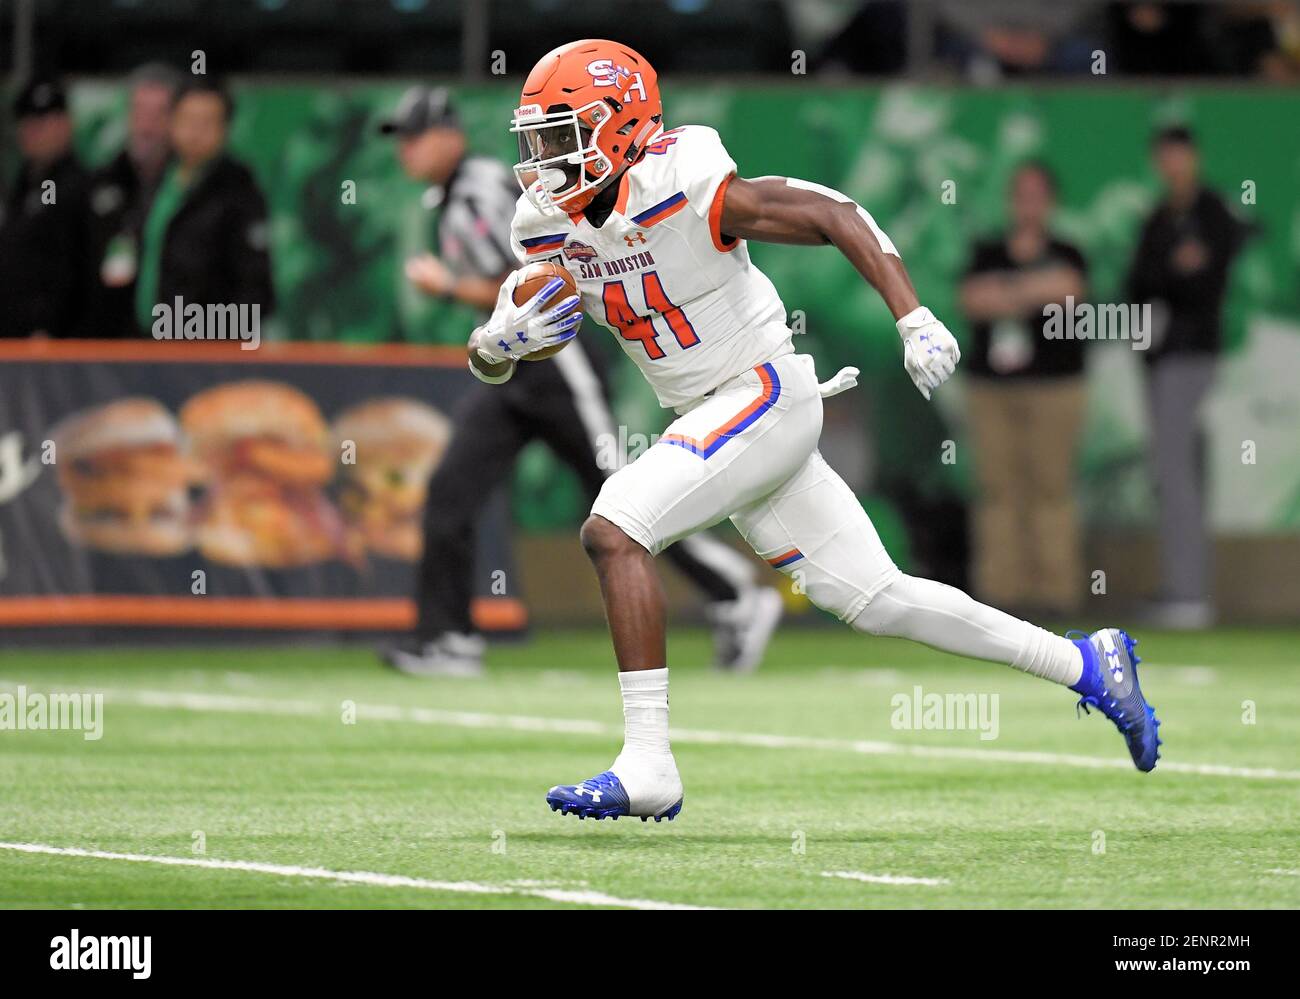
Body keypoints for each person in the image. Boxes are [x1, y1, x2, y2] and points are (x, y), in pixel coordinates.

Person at [470, 39, 1162, 822]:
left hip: (764, 392)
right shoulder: (546, 224)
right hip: (716, 416)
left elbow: (834, 213)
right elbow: (519, 332)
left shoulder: (684, 179)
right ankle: (1086, 663)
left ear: (623, 124)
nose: (546, 161)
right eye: (539, 141)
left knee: (615, 525)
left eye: (564, 136)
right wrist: (494, 346)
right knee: (882, 599)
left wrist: (914, 314)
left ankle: (649, 763)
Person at [376, 86, 782, 678]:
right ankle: (449, 638)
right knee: (450, 490)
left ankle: (735, 592)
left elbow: (535, 284)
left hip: (559, 366)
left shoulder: (481, 188)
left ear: (449, 134)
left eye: (415, 137)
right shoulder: (454, 195)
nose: (406, 152)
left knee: (620, 492)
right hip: (517, 374)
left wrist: (449, 288)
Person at [1125, 126, 1249, 630]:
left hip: (1193, 359)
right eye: (1164, 157)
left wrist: (1177, 273)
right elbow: (1139, 282)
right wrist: (1175, 270)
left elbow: (1206, 277)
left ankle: (1189, 593)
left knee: (1180, 474)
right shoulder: (1160, 217)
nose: (1172, 165)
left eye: (1180, 156)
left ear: (1192, 159)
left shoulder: (1212, 212)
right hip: (1162, 357)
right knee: (1174, 474)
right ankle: (1184, 588)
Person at [959, 162, 1089, 617]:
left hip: (1056, 387)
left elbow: (1070, 290)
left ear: (1051, 201)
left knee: (1051, 488)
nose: (1029, 203)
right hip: (992, 389)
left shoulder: (1068, 250)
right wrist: (1035, 289)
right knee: (998, 490)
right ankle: (1000, 596)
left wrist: (1006, 291)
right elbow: (972, 299)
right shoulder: (987, 250)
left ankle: (1055, 595)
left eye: (1038, 194)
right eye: (1022, 194)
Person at [134, 78, 274, 333]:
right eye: (188, 120)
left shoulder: (240, 192)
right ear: (172, 122)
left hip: (203, 352)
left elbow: (255, 289)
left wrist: (210, 339)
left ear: (225, 128)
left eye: (207, 123)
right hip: (142, 346)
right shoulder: (150, 180)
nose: (195, 132)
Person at [85, 63, 181, 338]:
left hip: (179, 348)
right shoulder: (97, 185)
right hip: (107, 349)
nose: (146, 126)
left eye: (158, 114)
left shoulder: (195, 189)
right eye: (139, 112)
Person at [0, 78, 91, 339]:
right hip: (12, 338)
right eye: (27, 123)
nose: (32, 132)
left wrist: (52, 326)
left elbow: (72, 270)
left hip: (50, 342)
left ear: (65, 125)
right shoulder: (20, 185)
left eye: (42, 124)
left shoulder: (76, 188)